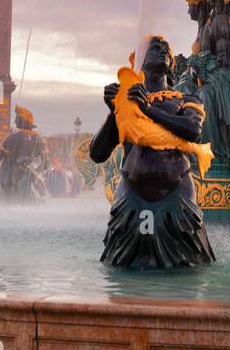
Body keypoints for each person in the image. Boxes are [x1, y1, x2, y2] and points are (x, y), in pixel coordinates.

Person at [90, 34, 215, 269]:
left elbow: (192, 130)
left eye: (164, 48)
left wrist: (147, 109)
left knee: (186, 265)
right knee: (122, 266)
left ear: (171, 62)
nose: (161, 49)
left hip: (175, 194)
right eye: (153, 47)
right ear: (136, 61)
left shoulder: (186, 99)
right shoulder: (126, 104)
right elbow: (97, 154)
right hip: (131, 195)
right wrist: (112, 112)